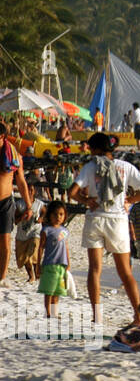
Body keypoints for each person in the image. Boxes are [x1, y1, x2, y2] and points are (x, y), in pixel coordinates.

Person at [69, 132, 140, 324]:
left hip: (95, 219)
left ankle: (97, 316)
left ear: (98, 149)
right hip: (117, 221)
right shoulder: (125, 167)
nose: (90, 152)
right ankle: (139, 317)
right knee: (125, 272)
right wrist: (130, 200)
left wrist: (85, 200)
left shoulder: (90, 167)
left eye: (91, 148)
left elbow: (72, 192)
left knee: (94, 269)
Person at [0, 121, 34, 284]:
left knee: (5, 240)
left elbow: (21, 182)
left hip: (6, 202)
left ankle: (2, 276)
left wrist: (29, 205)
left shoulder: (14, 156)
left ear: (2, 137)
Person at [35, 201, 71, 318]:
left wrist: (68, 262)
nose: (58, 217)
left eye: (61, 214)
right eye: (55, 214)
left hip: (61, 265)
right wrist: (38, 264)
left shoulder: (64, 231)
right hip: (49, 264)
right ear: (50, 215)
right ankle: (48, 312)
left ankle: (55, 312)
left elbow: (66, 247)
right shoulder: (47, 230)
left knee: (57, 291)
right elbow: (41, 248)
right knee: (48, 290)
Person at [14, 200, 42, 283]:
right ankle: (31, 275)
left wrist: (41, 218)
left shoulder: (39, 204)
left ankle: (37, 274)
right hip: (22, 236)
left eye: (32, 190)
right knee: (23, 258)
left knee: (32, 254)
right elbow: (15, 221)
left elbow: (45, 213)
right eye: (28, 189)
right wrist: (23, 216)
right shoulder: (19, 204)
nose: (30, 192)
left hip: (35, 233)